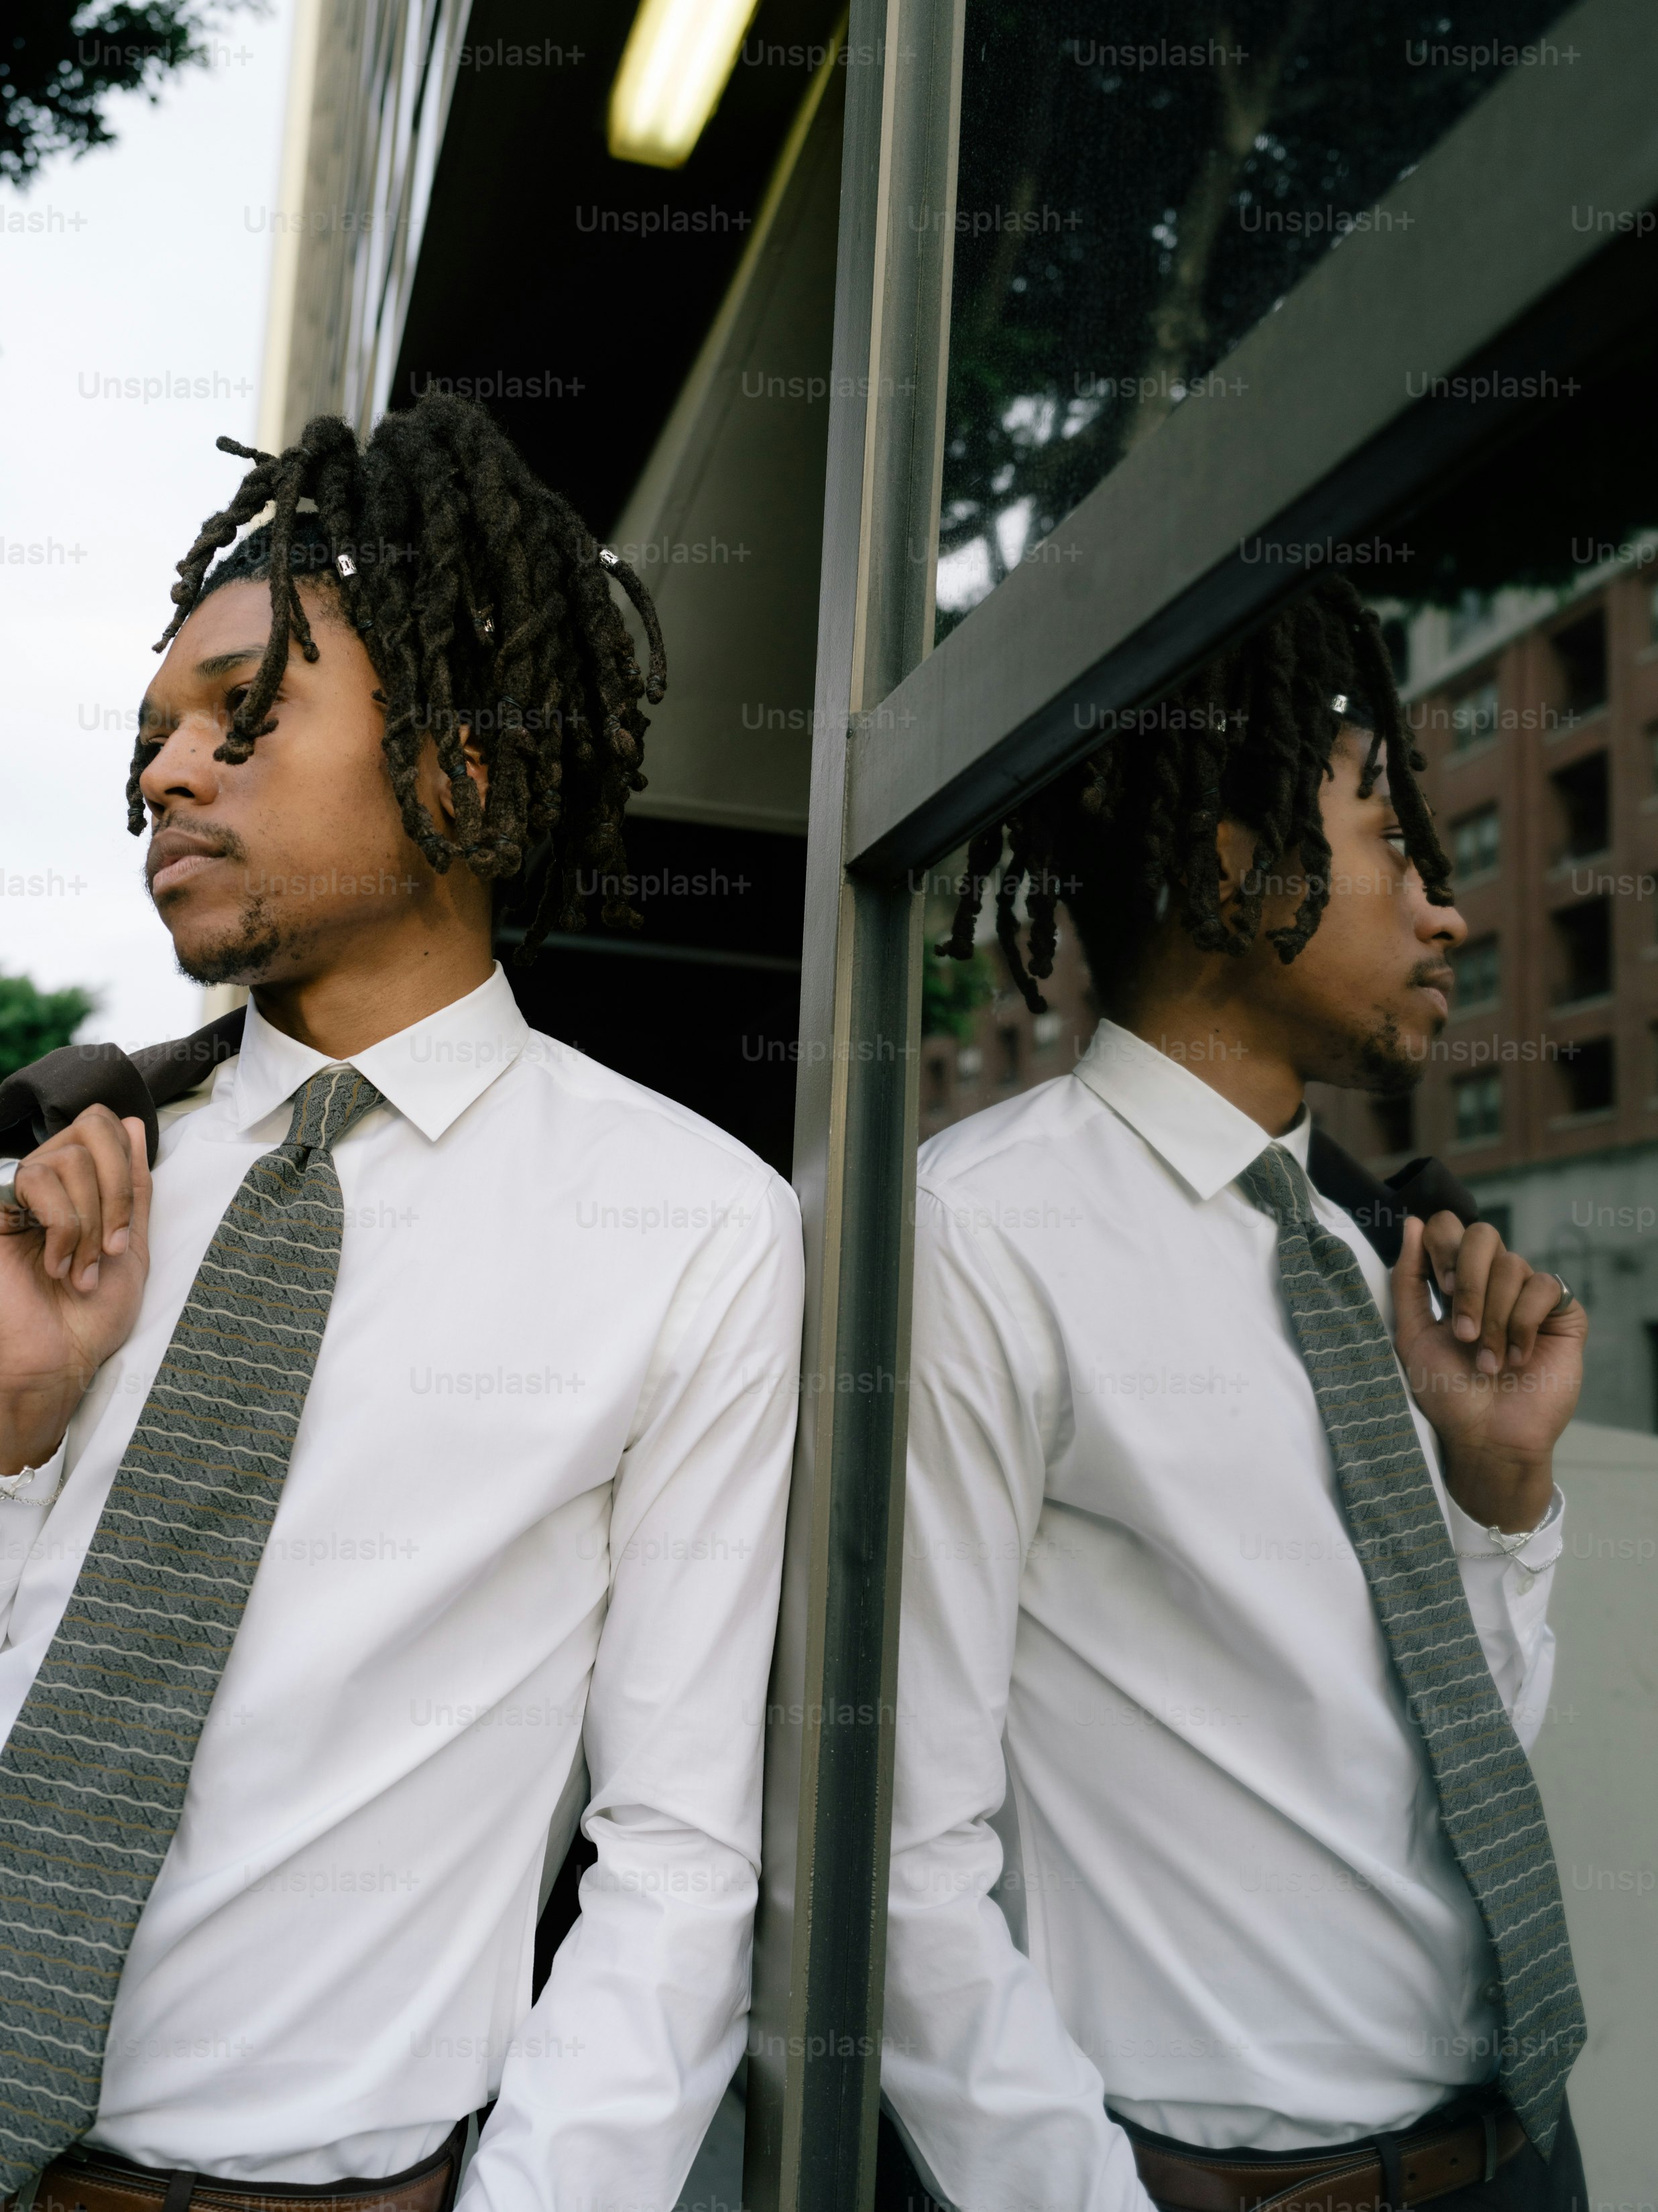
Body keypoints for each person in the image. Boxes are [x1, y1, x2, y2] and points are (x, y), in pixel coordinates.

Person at [0, 397, 803, 2212]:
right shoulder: (70, 1181)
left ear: (463, 764)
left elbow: (675, 1851)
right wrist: (14, 1439)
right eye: (153, 737)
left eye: (243, 714)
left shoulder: (693, 1228)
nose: (164, 776)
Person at [880, 578, 1589, 2212]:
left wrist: (1497, 1505)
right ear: (1232, 863)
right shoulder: (978, 1238)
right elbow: (901, 1856)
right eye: (1395, 850)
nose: (1449, 916)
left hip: (1514, 2150)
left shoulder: (1355, 1254)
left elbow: (1447, 1761)